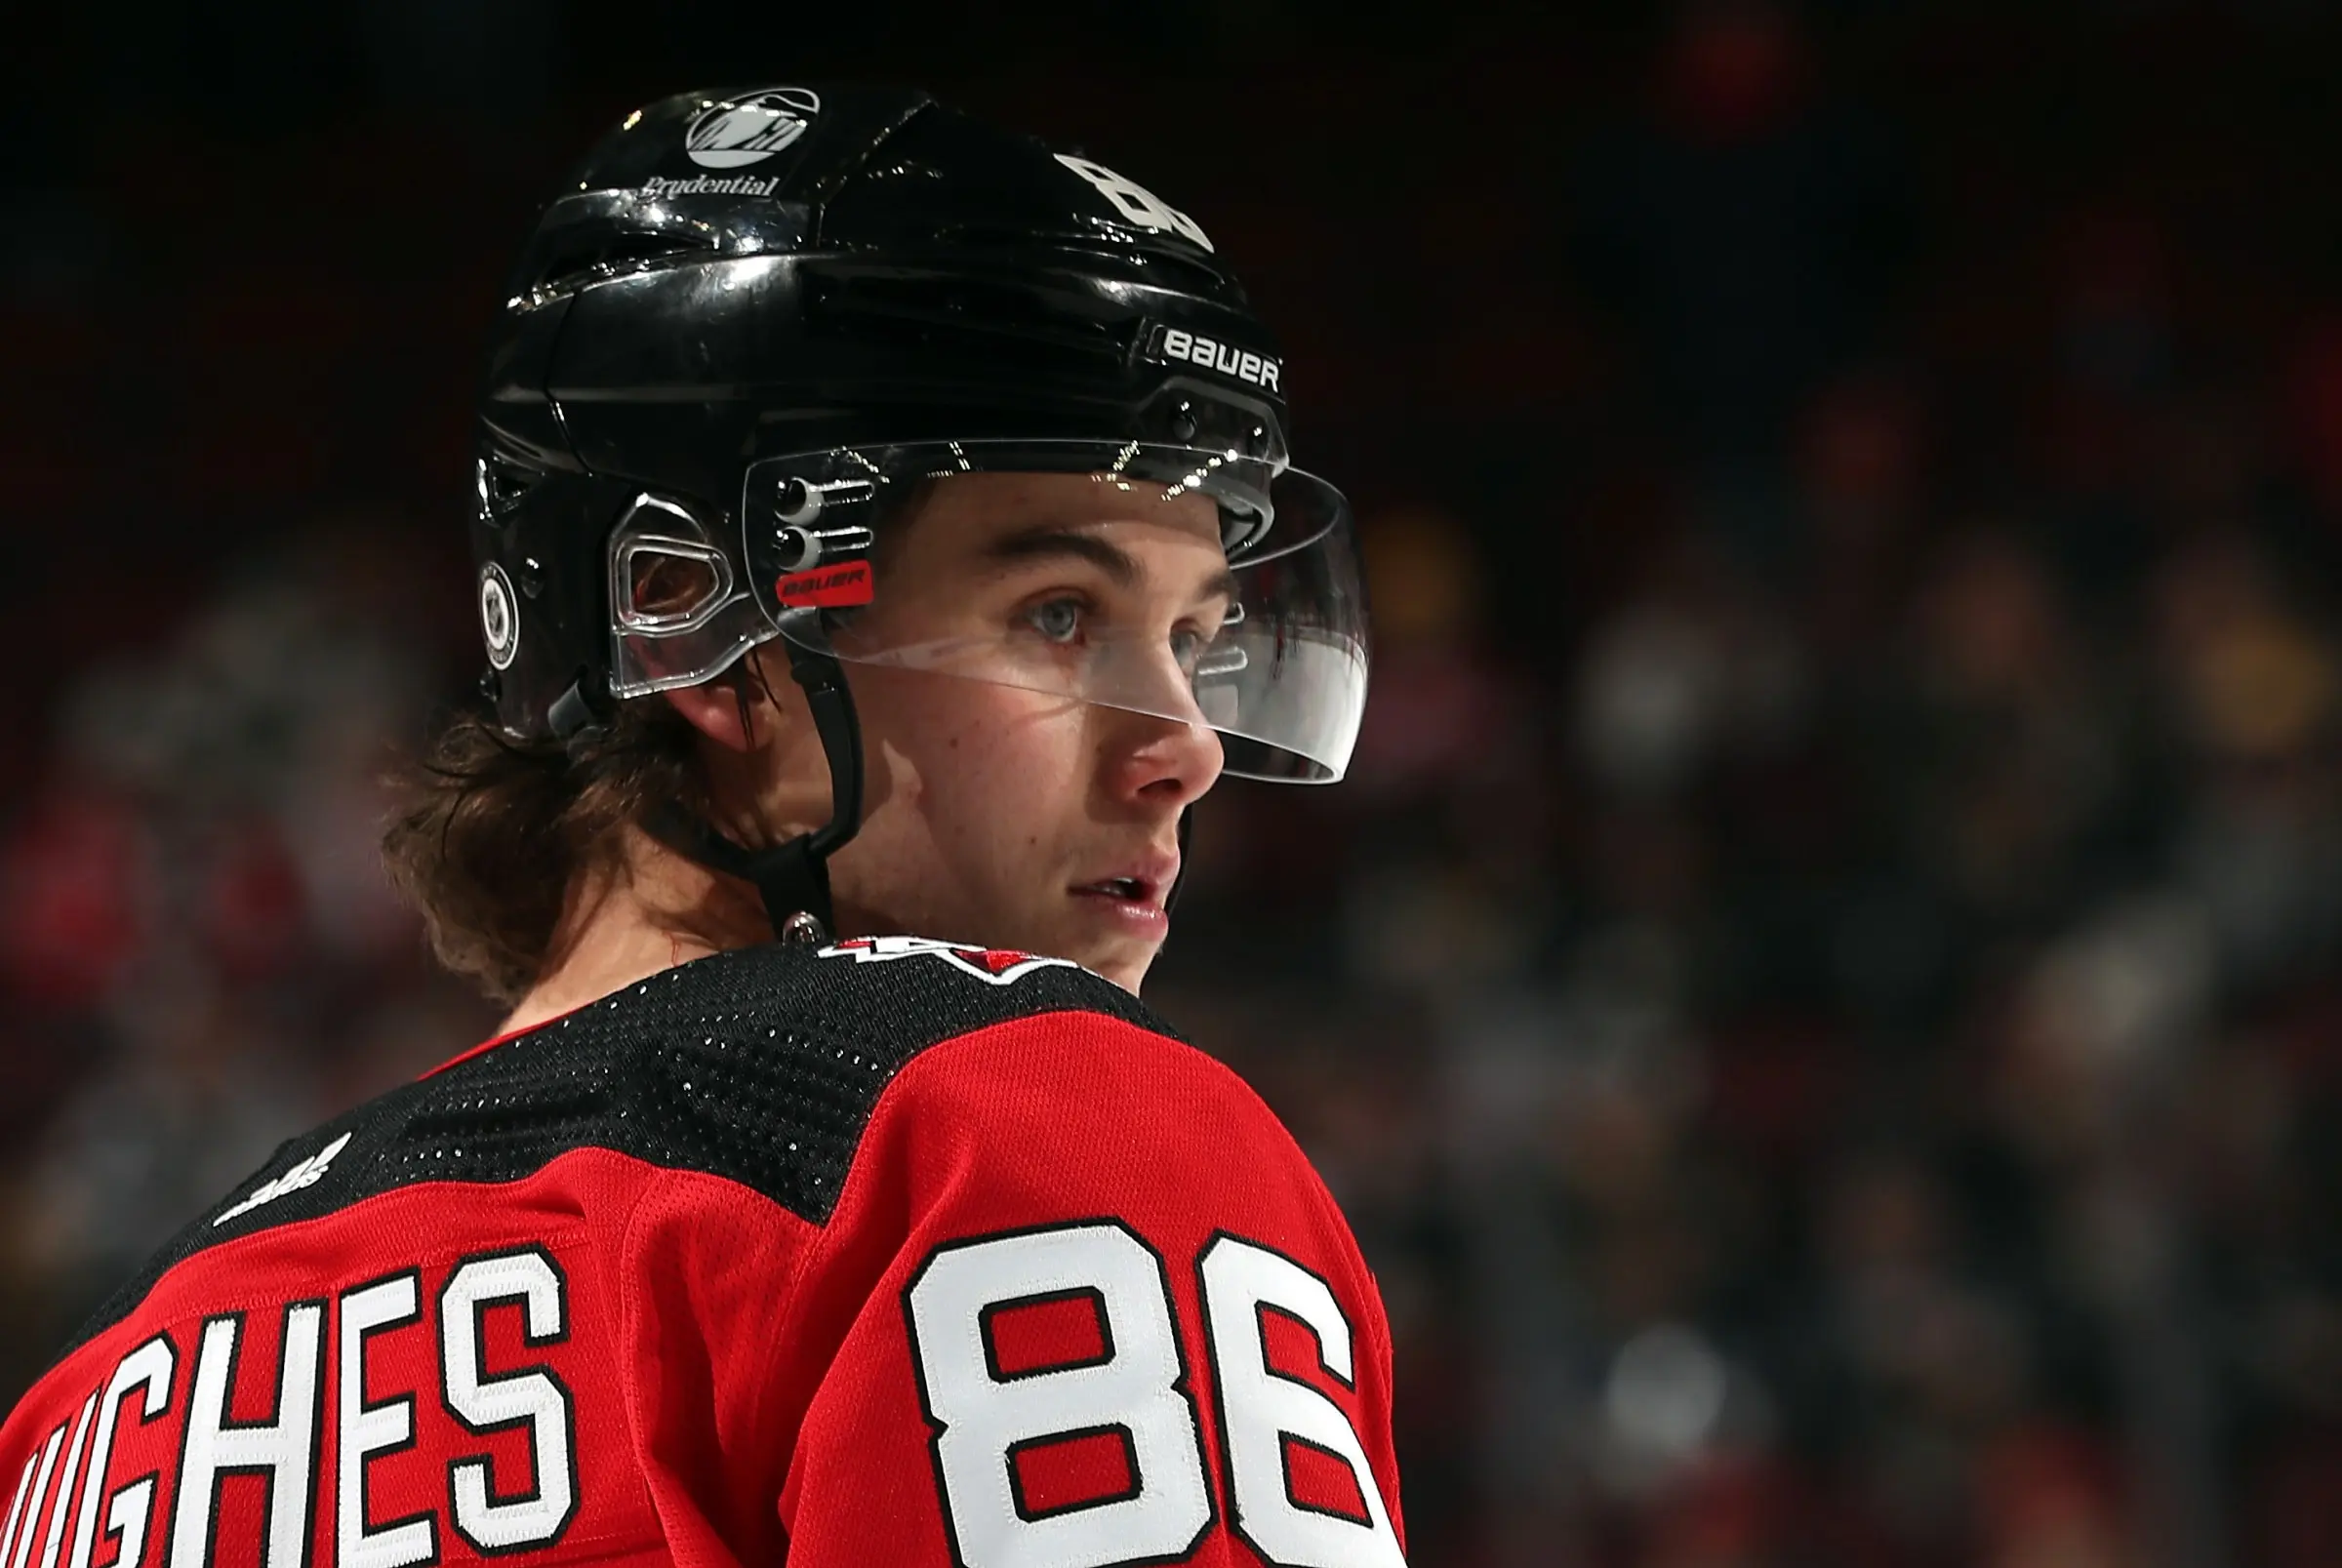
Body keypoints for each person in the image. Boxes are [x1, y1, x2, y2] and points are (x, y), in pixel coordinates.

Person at [0, 86, 1404, 1568]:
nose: (1186, 746)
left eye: (1194, 640)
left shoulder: (94, 1407)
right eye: (1057, 614)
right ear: (693, 625)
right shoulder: (1004, 1121)